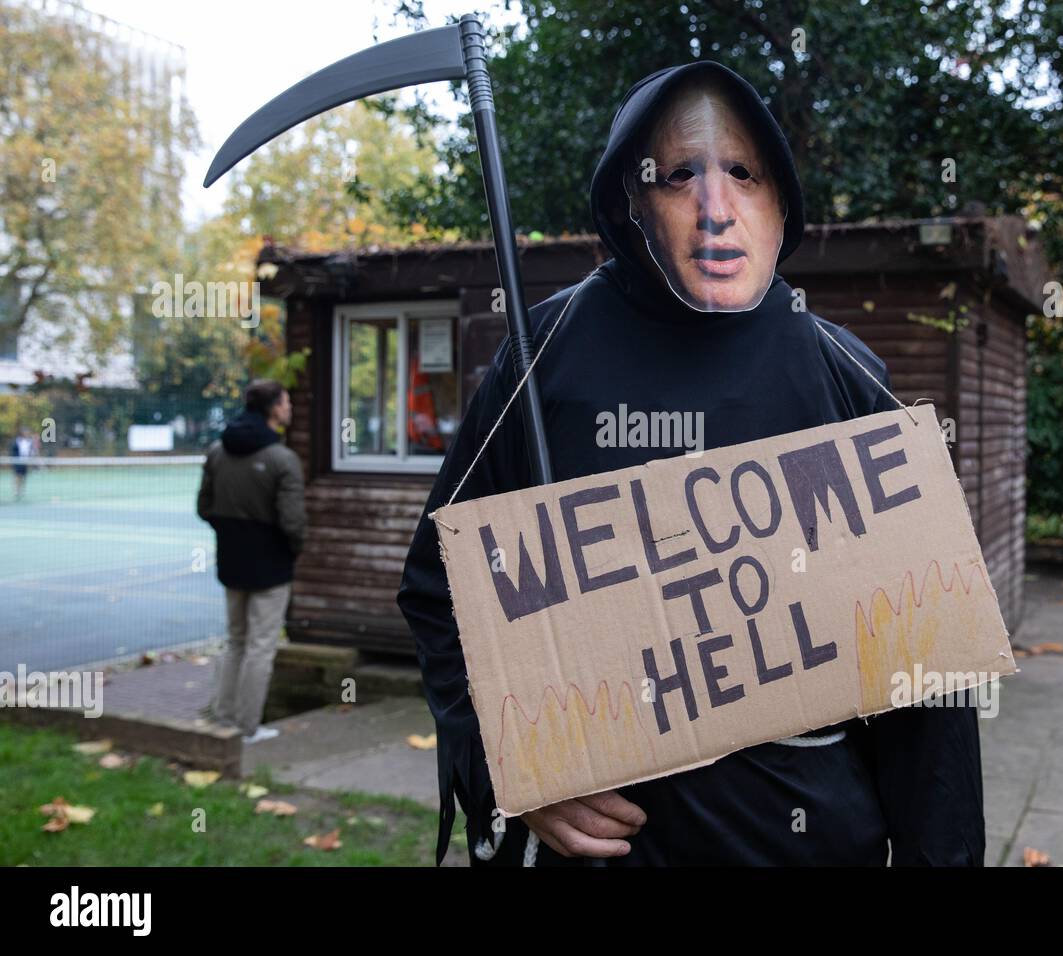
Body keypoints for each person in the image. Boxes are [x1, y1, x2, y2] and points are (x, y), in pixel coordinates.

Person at [398, 62, 985, 866]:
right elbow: (439, 589)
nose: (717, 210)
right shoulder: (544, 357)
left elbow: (926, 669)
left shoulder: (844, 374)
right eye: (680, 176)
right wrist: (512, 760)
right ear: (629, 202)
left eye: (743, 173)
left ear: (781, 201)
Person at [198, 379, 305, 744]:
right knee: (261, 646)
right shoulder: (282, 459)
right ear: (274, 408)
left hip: (231, 560)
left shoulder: (216, 451)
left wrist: (231, 533)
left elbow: (205, 507)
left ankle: (223, 718)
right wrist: (293, 548)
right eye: (286, 402)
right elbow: (293, 522)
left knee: (236, 641)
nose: (289, 408)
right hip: (271, 565)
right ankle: (248, 728)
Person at [9, 425, 36, 501]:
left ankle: (22, 491)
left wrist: (30, 458)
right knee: (17, 476)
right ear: (22, 433)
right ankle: (16, 492)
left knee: (24, 477)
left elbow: (31, 451)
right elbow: (13, 450)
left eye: (28, 432)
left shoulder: (30, 441)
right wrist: (14, 459)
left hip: (25, 462)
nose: (27, 433)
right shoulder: (17, 441)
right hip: (17, 461)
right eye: (25, 432)